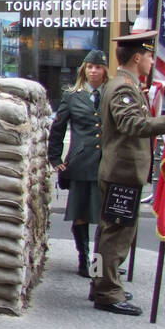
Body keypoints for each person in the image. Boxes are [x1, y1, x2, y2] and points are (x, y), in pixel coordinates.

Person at [92, 30, 165, 316]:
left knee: (108, 231)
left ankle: (101, 283)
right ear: (137, 57)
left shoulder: (125, 84)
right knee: (116, 235)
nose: (151, 62)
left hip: (120, 170)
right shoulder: (123, 87)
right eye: (148, 56)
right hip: (122, 172)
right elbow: (130, 124)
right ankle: (107, 291)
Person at [49, 49, 108, 277]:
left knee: (105, 219)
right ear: (84, 70)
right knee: (81, 214)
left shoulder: (111, 94)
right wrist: (54, 158)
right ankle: (84, 261)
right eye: (90, 67)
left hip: (105, 164)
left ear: (104, 70)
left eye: (98, 67)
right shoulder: (72, 96)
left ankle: (102, 265)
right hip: (81, 163)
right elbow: (58, 128)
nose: (93, 71)